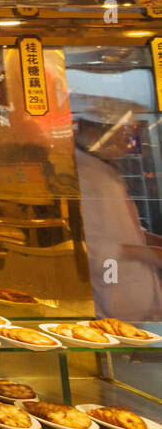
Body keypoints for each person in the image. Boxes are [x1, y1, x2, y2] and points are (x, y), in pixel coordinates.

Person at [74, 113, 162, 321]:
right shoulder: (84, 175)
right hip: (113, 293)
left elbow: (123, 230)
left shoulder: (104, 170)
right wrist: (151, 254)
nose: (127, 142)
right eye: (121, 134)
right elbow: (94, 248)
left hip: (139, 299)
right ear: (92, 133)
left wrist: (152, 242)